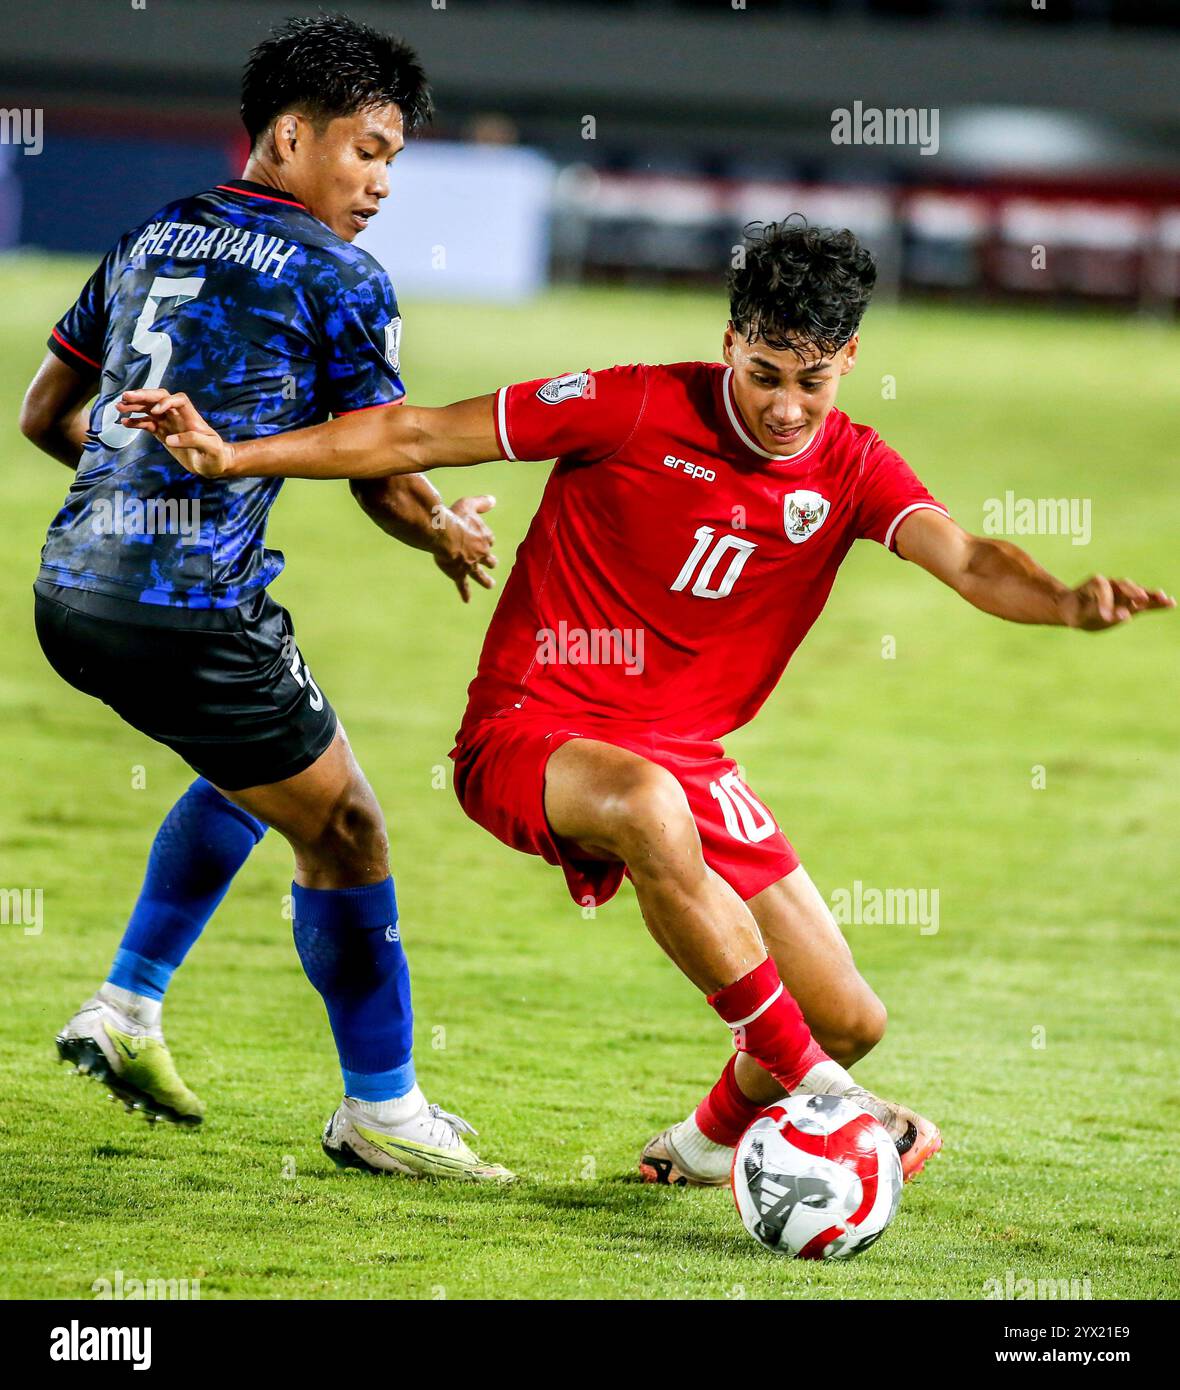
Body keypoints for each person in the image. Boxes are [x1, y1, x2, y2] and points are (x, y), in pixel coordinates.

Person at [118, 219, 1174, 1187]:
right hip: (533, 730)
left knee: (849, 1015)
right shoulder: (626, 403)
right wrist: (232, 454)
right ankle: (821, 1096)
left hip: (687, 758)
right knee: (651, 813)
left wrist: (1065, 603)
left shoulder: (851, 469)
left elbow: (971, 558)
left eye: (811, 380)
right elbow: (416, 435)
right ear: (728, 342)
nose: (784, 405)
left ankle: (706, 1144)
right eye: (762, 374)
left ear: (848, 360)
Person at [21, 14, 510, 1181]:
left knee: (261, 766)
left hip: (71, 590)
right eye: (369, 150)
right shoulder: (342, 273)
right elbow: (380, 462)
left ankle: (127, 1006)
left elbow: (45, 415)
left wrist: (131, 484)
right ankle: (382, 1113)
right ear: (290, 135)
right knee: (346, 829)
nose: (383, 183)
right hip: (191, 611)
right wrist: (442, 527)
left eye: (394, 158)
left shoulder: (153, 229)